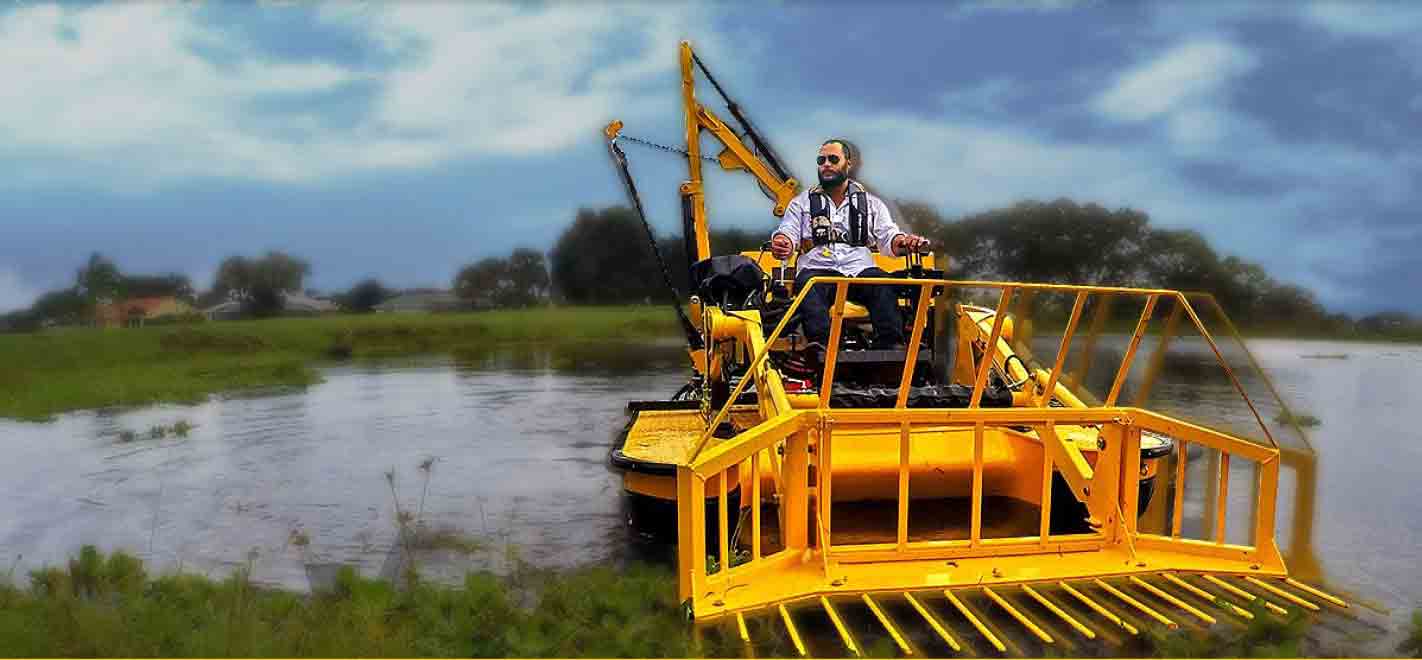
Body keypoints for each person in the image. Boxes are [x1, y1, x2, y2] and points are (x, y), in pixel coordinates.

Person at [769, 138, 931, 351]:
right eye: (821, 160)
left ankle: (891, 346)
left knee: (882, 284)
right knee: (809, 285)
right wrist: (783, 242)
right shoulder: (802, 202)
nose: (826, 164)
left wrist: (905, 242)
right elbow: (788, 232)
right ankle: (822, 348)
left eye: (833, 159)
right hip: (819, 270)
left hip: (858, 269)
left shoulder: (872, 204)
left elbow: (888, 237)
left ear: (848, 164)